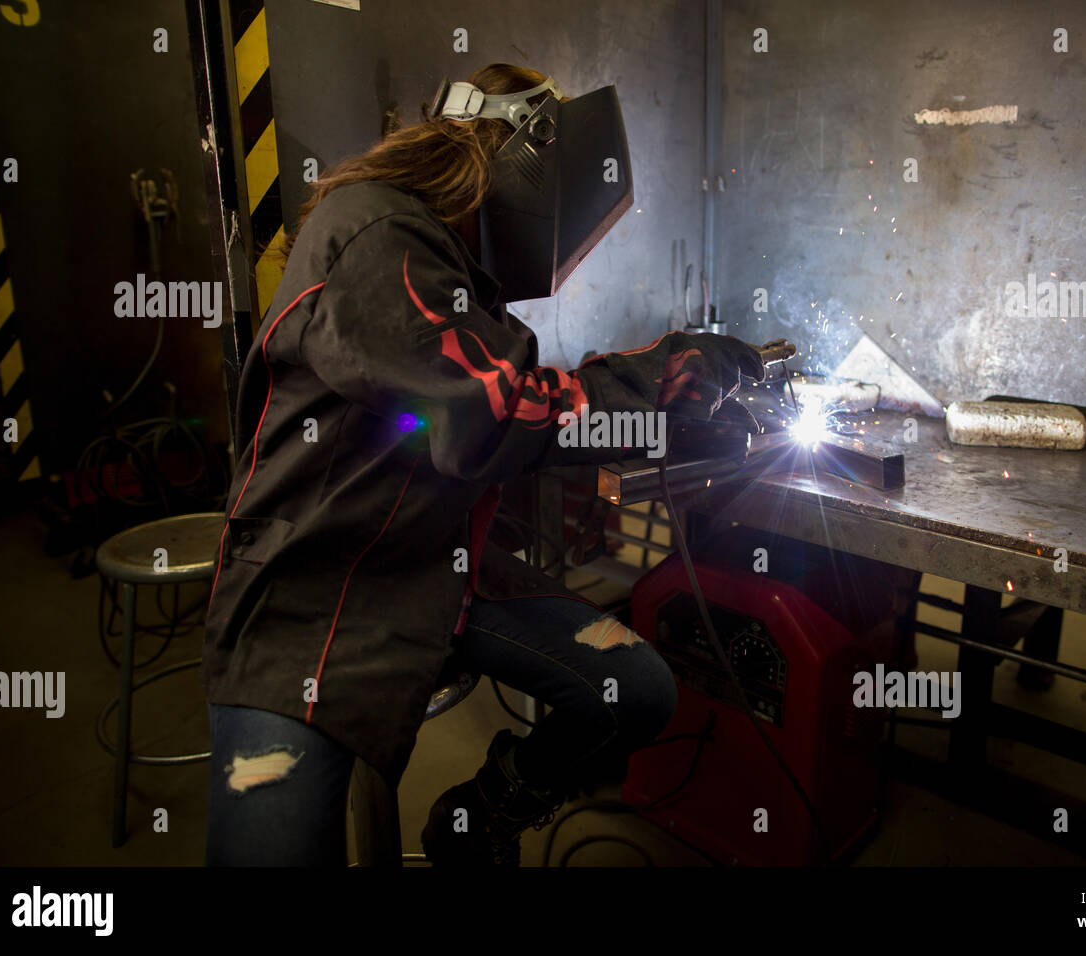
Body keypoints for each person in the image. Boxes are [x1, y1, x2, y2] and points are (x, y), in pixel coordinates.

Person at [201, 63, 764, 866]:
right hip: (312, 595)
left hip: (438, 565)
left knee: (634, 690)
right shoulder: (376, 233)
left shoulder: (445, 264)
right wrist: (651, 374)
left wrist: (665, 418)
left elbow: (501, 405)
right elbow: (488, 413)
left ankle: (483, 814)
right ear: (521, 153)